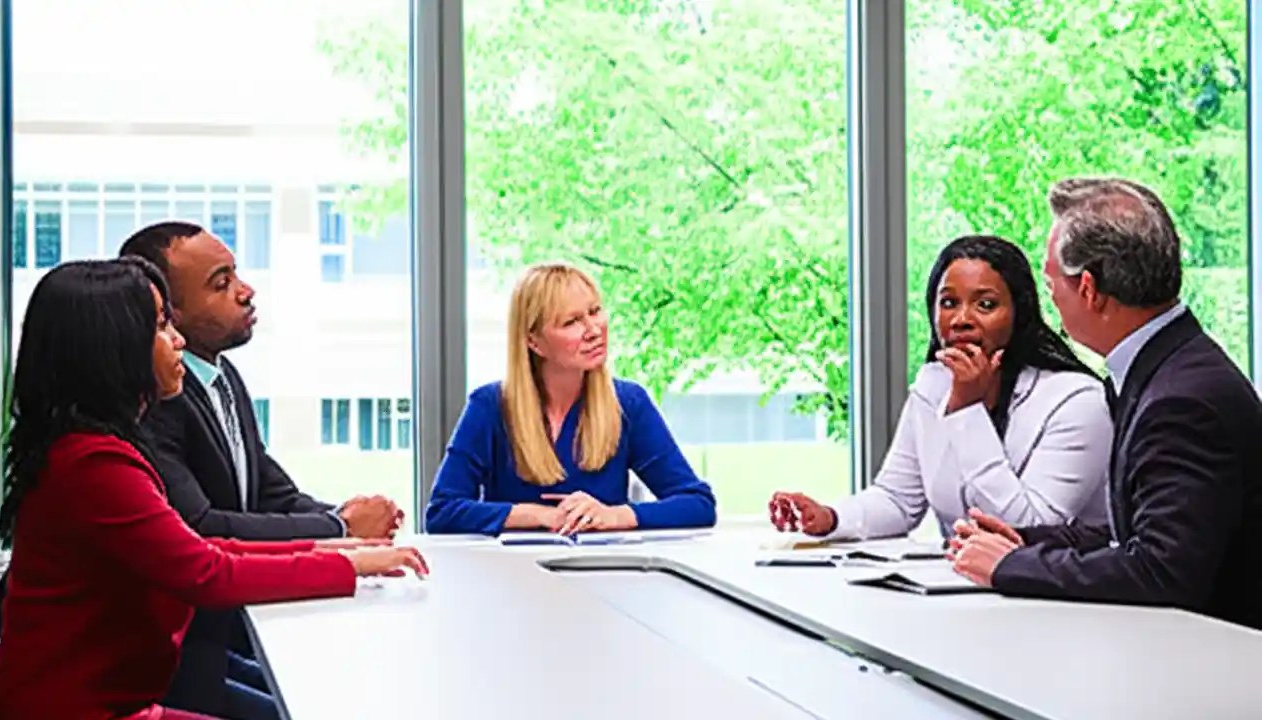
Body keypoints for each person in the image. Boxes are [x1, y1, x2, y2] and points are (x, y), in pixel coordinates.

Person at [0, 258, 428, 720]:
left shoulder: (94, 450)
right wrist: (342, 563)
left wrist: (339, 551)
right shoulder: (93, 464)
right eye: (160, 326)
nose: (177, 340)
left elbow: (199, 549)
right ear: (114, 347)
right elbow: (206, 571)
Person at [114, 221, 400, 718]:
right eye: (220, 284)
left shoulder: (223, 376)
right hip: (174, 659)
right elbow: (200, 531)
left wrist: (346, 524)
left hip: (219, 637)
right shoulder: (154, 406)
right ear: (168, 312)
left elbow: (266, 489)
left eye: (236, 276)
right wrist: (339, 534)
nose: (246, 293)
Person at [949, 178, 1262, 630]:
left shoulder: (1181, 401)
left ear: (1090, 290)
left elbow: (1163, 570)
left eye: (1051, 277)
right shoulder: (1169, 369)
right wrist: (1025, 542)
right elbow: (1133, 533)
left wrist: (1011, 567)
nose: (1048, 294)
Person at [770, 235, 1111, 541]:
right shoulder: (934, 384)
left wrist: (965, 411)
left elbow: (1027, 528)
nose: (961, 319)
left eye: (986, 305)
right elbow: (898, 499)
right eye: (948, 303)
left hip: (1061, 600)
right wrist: (830, 518)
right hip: (964, 593)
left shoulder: (1076, 401)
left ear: (1019, 314)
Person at [425, 262, 716, 535]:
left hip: (603, 575)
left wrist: (615, 515)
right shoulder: (490, 406)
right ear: (533, 341)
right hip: (515, 576)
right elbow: (442, 511)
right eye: (571, 322)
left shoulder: (628, 403)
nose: (593, 330)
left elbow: (698, 504)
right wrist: (538, 516)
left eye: (595, 311)